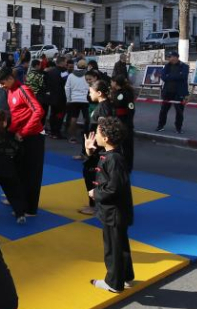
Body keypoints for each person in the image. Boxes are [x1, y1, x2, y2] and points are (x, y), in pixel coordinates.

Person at [84, 117, 134, 293]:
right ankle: (125, 276)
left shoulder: (114, 160)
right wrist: (89, 152)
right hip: (117, 212)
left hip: (114, 213)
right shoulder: (112, 155)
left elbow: (114, 188)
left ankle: (113, 282)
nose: (95, 135)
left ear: (105, 138)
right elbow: (101, 165)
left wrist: (94, 194)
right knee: (120, 244)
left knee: (112, 248)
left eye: (97, 133)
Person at [0, 66, 45, 216]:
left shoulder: (23, 90)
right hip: (20, 136)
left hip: (34, 136)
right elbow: (17, 115)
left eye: (2, 83)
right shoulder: (10, 91)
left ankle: (30, 209)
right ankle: (18, 199)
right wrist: (9, 132)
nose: (1, 86)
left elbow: (38, 111)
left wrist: (24, 132)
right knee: (18, 170)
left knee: (32, 174)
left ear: (10, 78)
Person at [80, 80, 115, 216]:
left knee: (91, 174)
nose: (89, 95)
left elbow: (102, 130)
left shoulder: (102, 109)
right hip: (99, 146)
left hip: (97, 148)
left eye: (91, 92)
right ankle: (96, 203)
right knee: (95, 174)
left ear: (99, 93)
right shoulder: (106, 106)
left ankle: (94, 205)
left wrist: (92, 147)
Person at [156, 51, 189, 134]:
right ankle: (160, 126)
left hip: (179, 93)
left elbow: (183, 76)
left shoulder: (184, 66)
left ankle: (178, 128)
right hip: (167, 92)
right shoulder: (167, 66)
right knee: (163, 110)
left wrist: (169, 76)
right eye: (169, 57)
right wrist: (175, 76)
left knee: (179, 112)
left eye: (170, 57)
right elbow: (163, 77)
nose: (169, 58)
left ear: (175, 57)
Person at [112, 75, 136, 172]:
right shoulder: (115, 93)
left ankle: (128, 166)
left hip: (125, 122)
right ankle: (117, 164)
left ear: (116, 83)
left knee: (127, 146)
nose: (111, 84)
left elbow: (131, 109)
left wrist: (127, 123)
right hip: (116, 121)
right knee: (115, 145)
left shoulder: (126, 94)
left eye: (112, 82)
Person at [65, 59, 90, 144]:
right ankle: (87, 136)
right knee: (86, 118)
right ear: (86, 66)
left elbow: (67, 88)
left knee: (73, 118)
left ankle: (73, 137)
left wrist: (69, 99)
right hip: (86, 99)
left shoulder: (71, 75)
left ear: (77, 66)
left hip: (74, 99)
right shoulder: (88, 75)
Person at [45, 57, 67, 139]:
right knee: (60, 115)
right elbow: (66, 83)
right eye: (65, 62)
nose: (66, 64)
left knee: (53, 114)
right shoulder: (64, 71)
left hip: (51, 96)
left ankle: (52, 131)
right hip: (61, 96)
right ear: (61, 62)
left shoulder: (50, 71)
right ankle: (57, 132)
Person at [25, 59, 48, 124]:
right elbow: (42, 86)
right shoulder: (39, 75)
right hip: (37, 96)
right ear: (37, 65)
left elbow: (26, 83)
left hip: (28, 95)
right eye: (40, 65)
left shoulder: (28, 74)